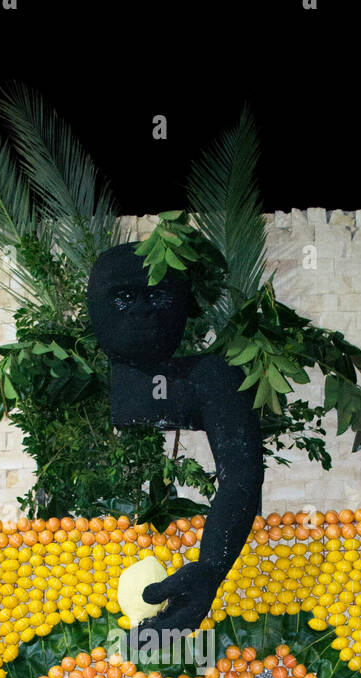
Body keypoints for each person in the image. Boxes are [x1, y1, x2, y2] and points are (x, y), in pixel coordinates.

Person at [87, 243, 264, 638]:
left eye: (156, 294)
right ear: (96, 307)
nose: (142, 310)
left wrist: (211, 568)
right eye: (125, 297)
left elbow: (241, 473)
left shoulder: (211, 376)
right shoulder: (76, 386)